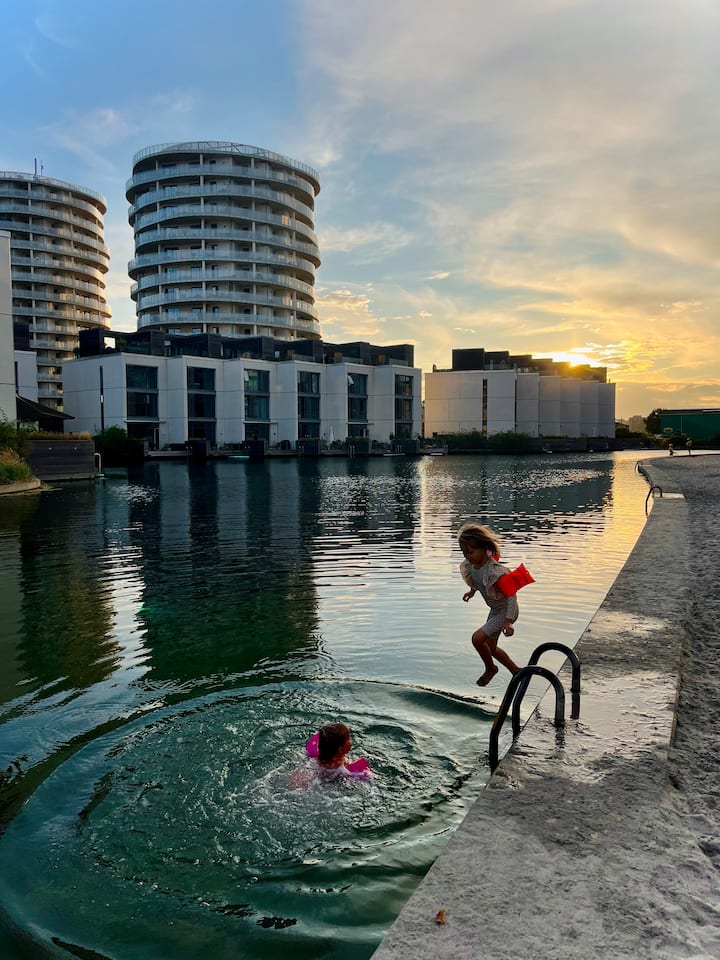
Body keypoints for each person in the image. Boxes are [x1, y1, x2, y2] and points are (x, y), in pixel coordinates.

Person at [458, 523, 521, 686]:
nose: (467, 556)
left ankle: (490, 669)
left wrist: (508, 621)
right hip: (495, 610)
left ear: (484, 548)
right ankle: (516, 671)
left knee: (477, 639)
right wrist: (472, 591)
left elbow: (511, 595)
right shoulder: (471, 566)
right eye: (464, 552)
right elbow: (479, 582)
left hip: (507, 610)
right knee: (490, 648)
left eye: (470, 552)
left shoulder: (495, 571)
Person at [292, 723, 373, 787]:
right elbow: (368, 778)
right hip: (333, 782)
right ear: (340, 749)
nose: (351, 741)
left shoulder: (313, 755)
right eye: (349, 739)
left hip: (315, 774)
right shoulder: (345, 771)